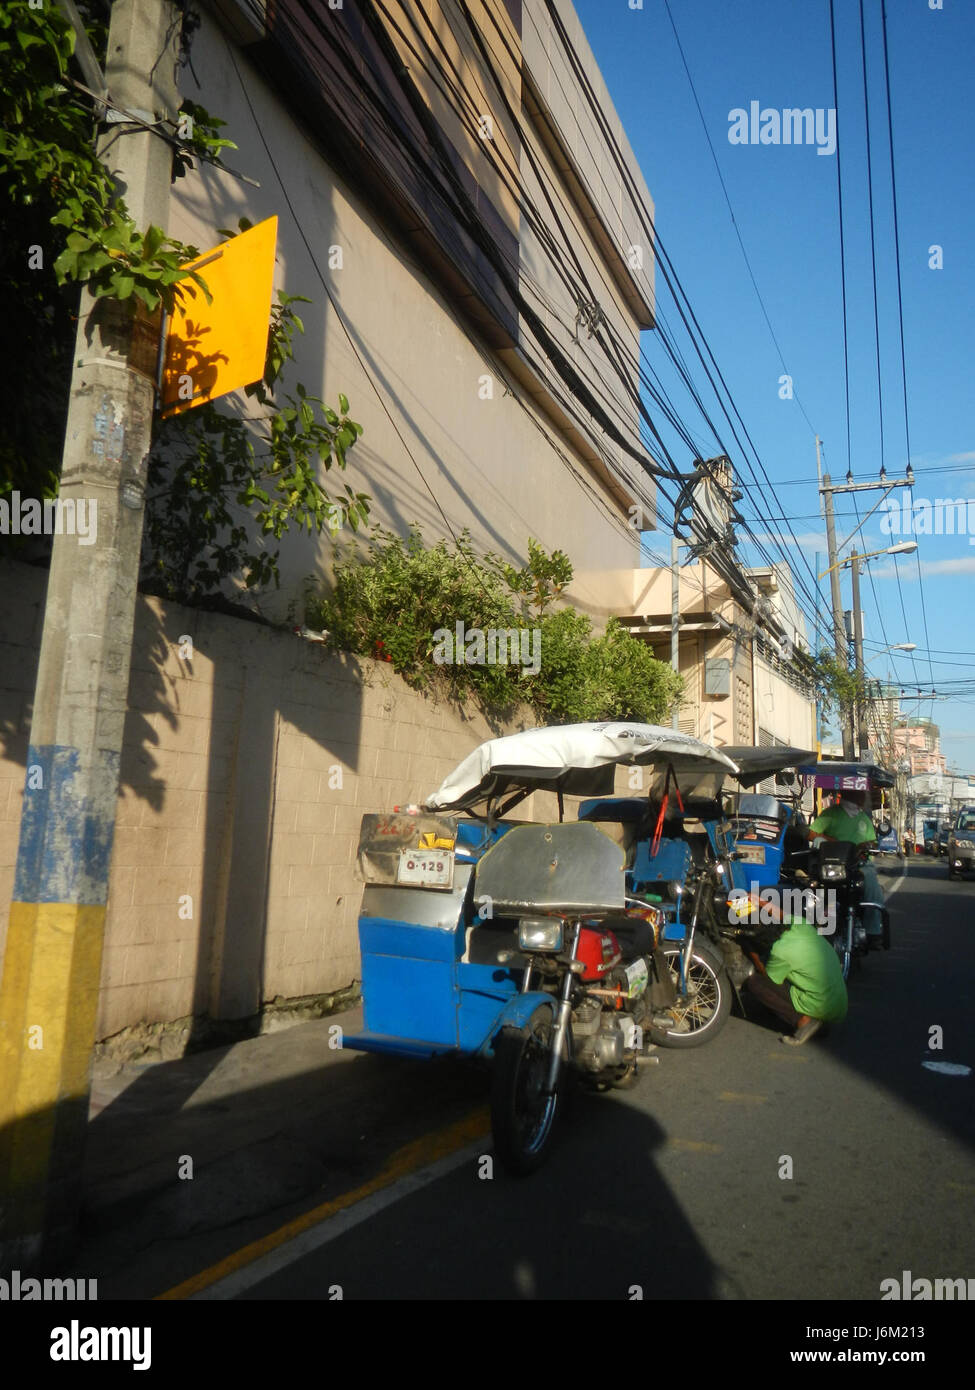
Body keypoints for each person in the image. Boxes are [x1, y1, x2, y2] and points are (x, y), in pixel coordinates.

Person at [740, 897, 849, 1045]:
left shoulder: (780, 951)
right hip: (838, 1004)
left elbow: (769, 981)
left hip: (821, 1005)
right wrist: (758, 900)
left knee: (755, 983)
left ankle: (804, 1021)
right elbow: (781, 913)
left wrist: (752, 952)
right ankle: (817, 1018)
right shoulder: (800, 926)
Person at [809, 788, 884, 946]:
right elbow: (811, 834)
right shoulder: (831, 814)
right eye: (861, 793)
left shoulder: (863, 818)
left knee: (873, 888)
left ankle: (873, 931)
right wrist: (833, 841)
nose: (864, 796)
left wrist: (868, 845)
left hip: (860, 864)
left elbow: (873, 842)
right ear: (852, 794)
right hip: (833, 864)